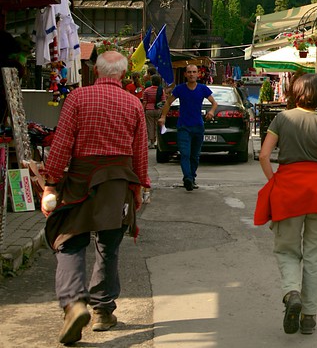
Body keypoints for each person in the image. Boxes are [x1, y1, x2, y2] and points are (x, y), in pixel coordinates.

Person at [40, 51, 149, 344]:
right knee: (108, 245)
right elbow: (140, 152)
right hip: (118, 182)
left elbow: (62, 143)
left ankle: (74, 303)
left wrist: (51, 182)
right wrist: (139, 188)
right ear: (123, 75)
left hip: (81, 180)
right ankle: (102, 311)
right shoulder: (134, 103)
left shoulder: (77, 98)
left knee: (70, 240)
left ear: (96, 72)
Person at [255, 73, 317, 336]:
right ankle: (309, 317)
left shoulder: (282, 119)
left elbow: (264, 155)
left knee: (287, 251)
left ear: (295, 92)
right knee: (315, 258)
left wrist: (274, 181)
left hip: (287, 191)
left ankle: (292, 292)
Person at [158, 64, 217, 191]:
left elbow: (214, 103)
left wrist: (211, 112)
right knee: (185, 154)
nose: (191, 74)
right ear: (185, 74)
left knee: (195, 155)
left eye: (194, 72)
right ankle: (188, 178)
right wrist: (163, 116)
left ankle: (192, 178)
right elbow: (168, 102)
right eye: (189, 72)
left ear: (198, 74)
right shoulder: (180, 89)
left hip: (198, 126)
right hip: (183, 126)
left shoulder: (202, 89)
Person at [141, 75, 166, 148]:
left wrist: (143, 110)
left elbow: (145, 101)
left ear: (152, 81)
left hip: (149, 110)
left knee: (150, 125)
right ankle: (156, 140)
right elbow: (164, 101)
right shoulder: (161, 90)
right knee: (157, 126)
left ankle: (150, 140)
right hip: (158, 110)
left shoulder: (147, 90)